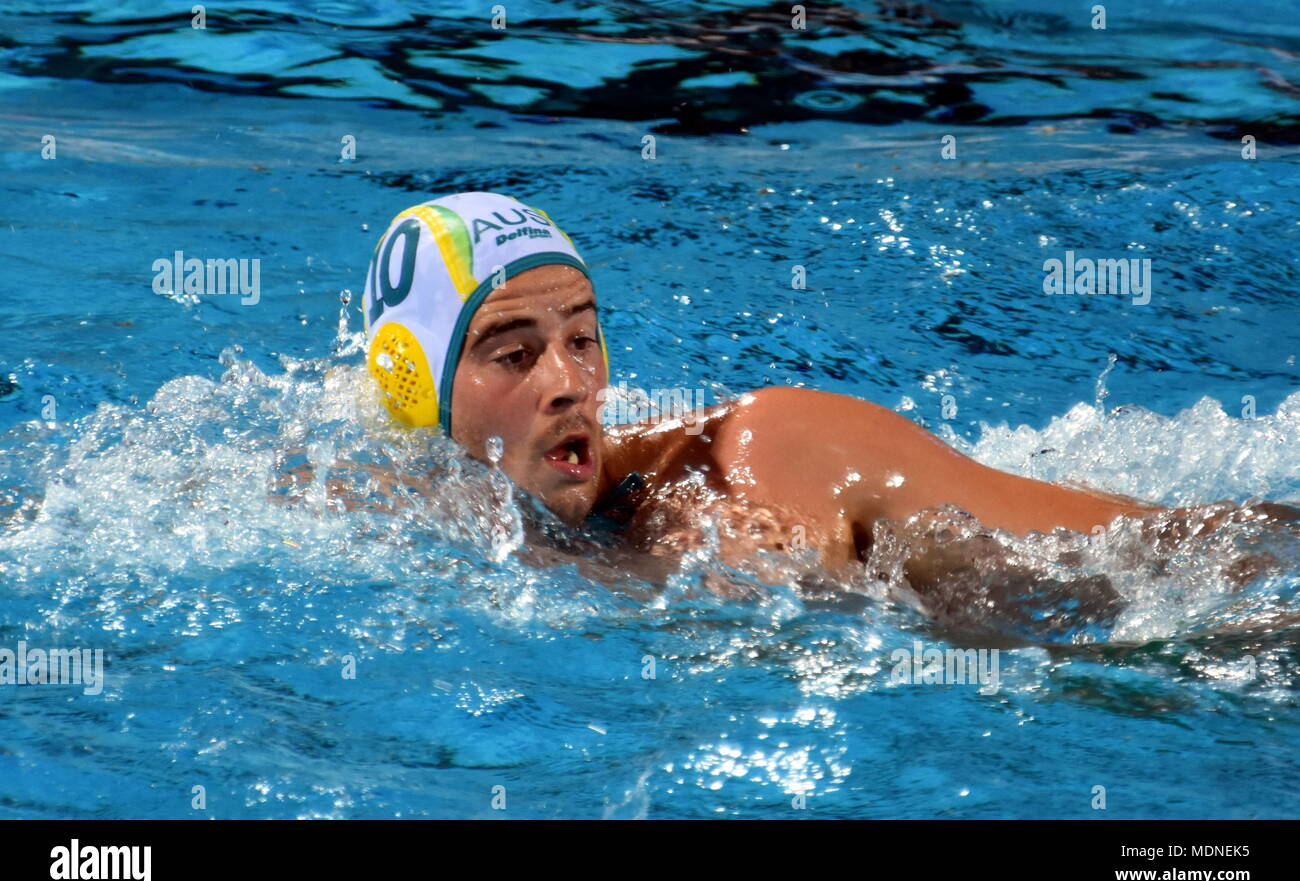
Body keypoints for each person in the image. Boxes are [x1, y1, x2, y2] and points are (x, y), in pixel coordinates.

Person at [353, 191, 1291, 604]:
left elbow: (757, 617)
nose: (572, 384)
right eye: (513, 354)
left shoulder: (759, 448)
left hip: (1223, 605)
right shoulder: (494, 519)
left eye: (583, 339)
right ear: (418, 392)